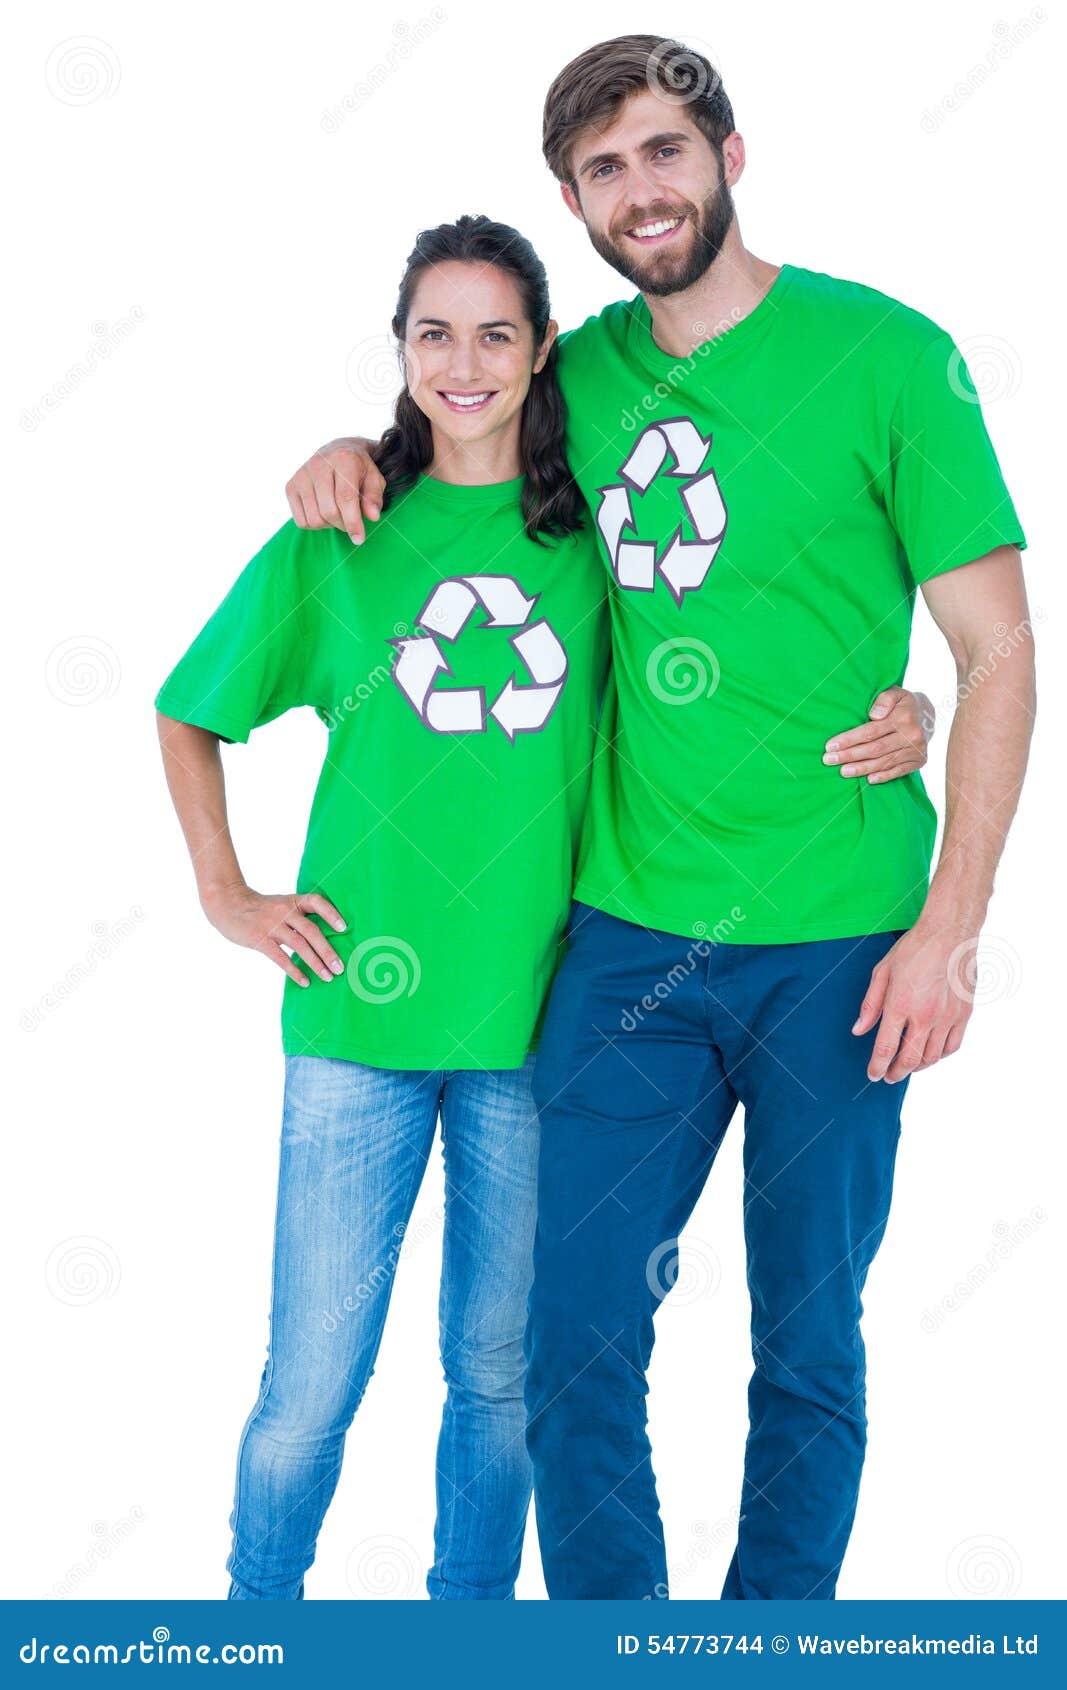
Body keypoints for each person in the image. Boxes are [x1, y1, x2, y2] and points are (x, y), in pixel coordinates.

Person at [277, 37, 1033, 1600]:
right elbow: (452, 447)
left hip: (843, 939)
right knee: (568, 1332)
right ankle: (618, 1642)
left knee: (808, 1336)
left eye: (664, 152)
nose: (641, 190)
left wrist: (952, 926)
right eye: (604, 169)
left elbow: (999, 645)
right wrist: (347, 451)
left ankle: (768, 1641)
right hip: (624, 936)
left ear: (729, 157)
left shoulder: (891, 357)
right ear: (574, 199)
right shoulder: (580, 370)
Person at [154, 214, 611, 1600]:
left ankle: (463, 1631)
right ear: (400, 351)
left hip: (539, 1017)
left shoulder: (595, 540)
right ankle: (256, 1618)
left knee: (496, 1374)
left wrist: (915, 702)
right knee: (309, 1378)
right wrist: (225, 892)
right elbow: (190, 708)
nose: (462, 361)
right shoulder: (337, 531)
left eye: (494, 331)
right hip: (355, 1015)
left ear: (542, 353)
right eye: (433, 332)